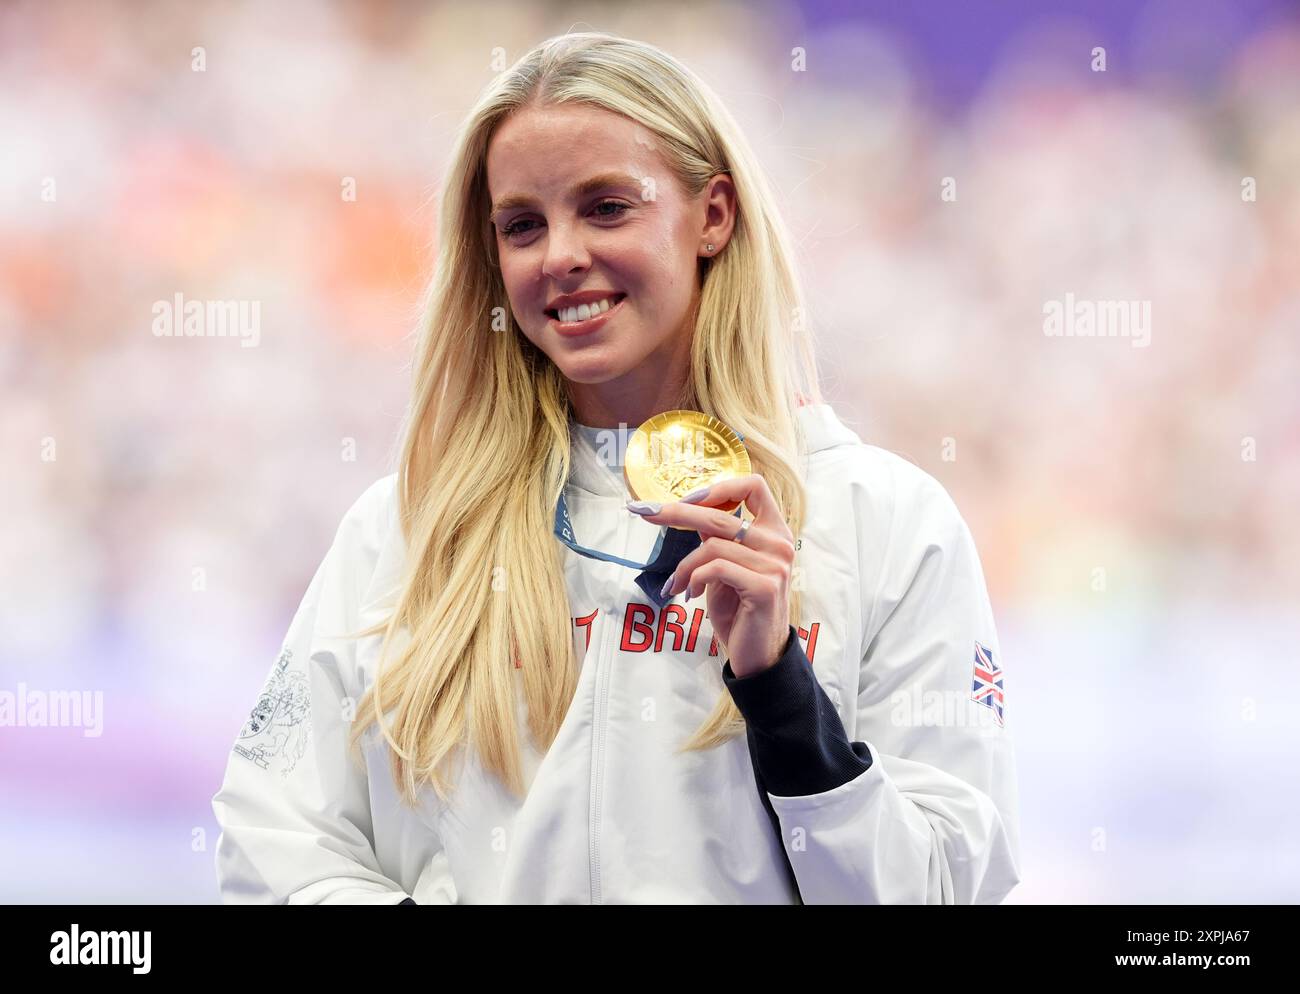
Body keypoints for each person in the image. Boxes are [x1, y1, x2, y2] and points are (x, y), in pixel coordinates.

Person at [210, 31, 1021, 905]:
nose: (559, 254)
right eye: (523, 225)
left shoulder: (887, 521)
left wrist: (781, 690)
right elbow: (273, 848)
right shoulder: (407, 529)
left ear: (713, 215)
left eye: (605, 208)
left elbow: (944, 890)